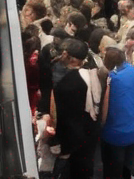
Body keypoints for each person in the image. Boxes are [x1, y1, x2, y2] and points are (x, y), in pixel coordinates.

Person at [50, 38, 103, 179]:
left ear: (67, 55)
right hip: (91, 132)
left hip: (74, 139)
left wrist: (59, 143)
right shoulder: (94, 74)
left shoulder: (66, 85)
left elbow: (64, 118)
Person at [99, 47, 134, 179]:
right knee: (126, 169)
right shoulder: (133, 70)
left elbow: (104, 112)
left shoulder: (111, 78)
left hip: (116, 136)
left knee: (112, 171)